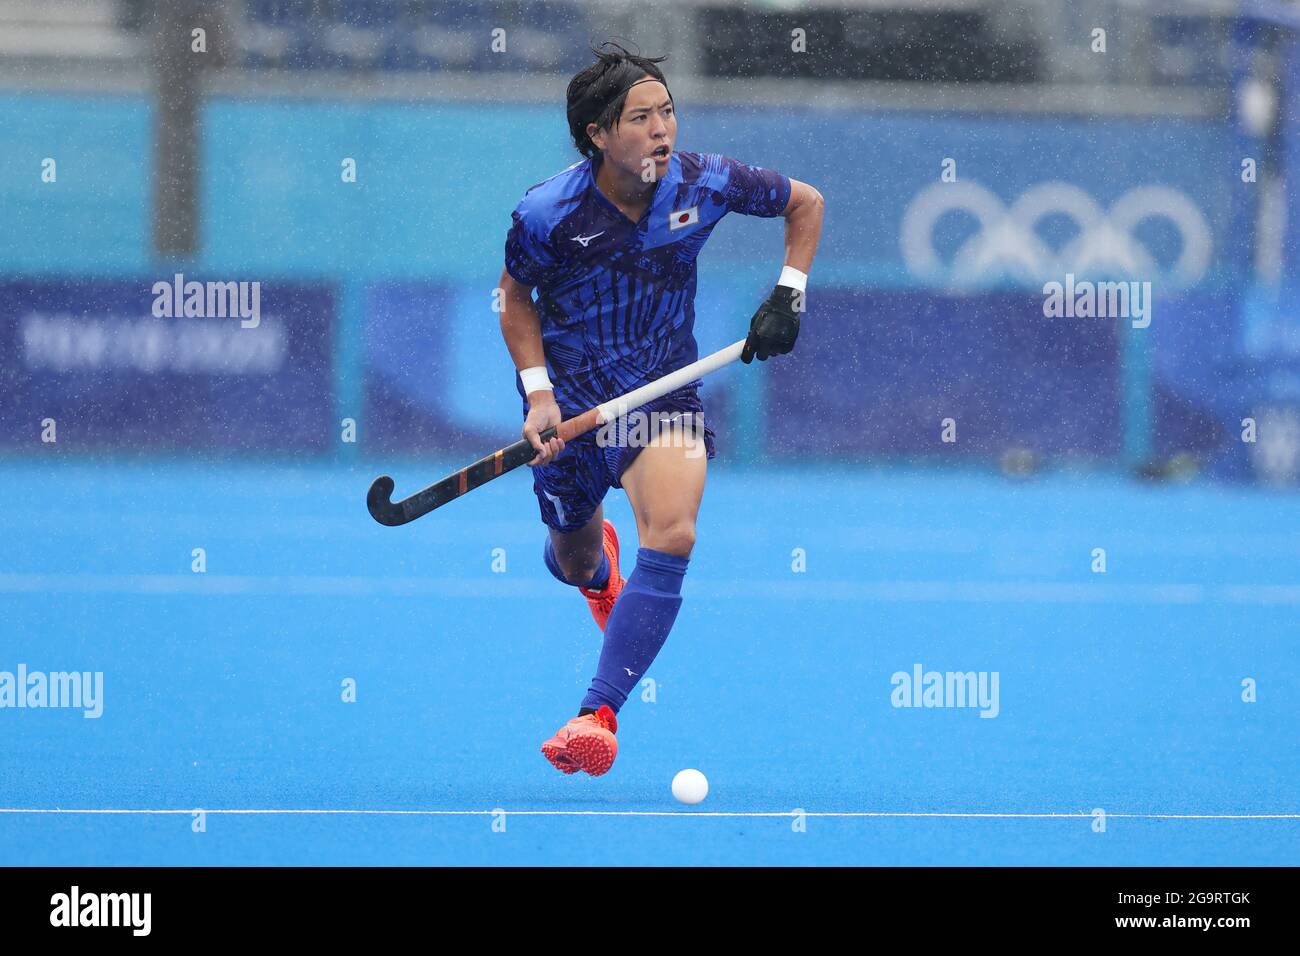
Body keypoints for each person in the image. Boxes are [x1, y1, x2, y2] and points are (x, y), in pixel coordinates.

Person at [497, 41, 825, 776]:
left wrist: (788, 294)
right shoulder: (548, 212)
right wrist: (540, 395)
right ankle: (599, 573)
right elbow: (514, 299)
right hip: (575, 398)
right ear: (598, 136)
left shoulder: (703, 181)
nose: (661, 129)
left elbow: (806, 202)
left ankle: (596, 715)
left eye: (667, 111)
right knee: (573, 561)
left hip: (660, 389)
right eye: (640, 117)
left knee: (674, 533)